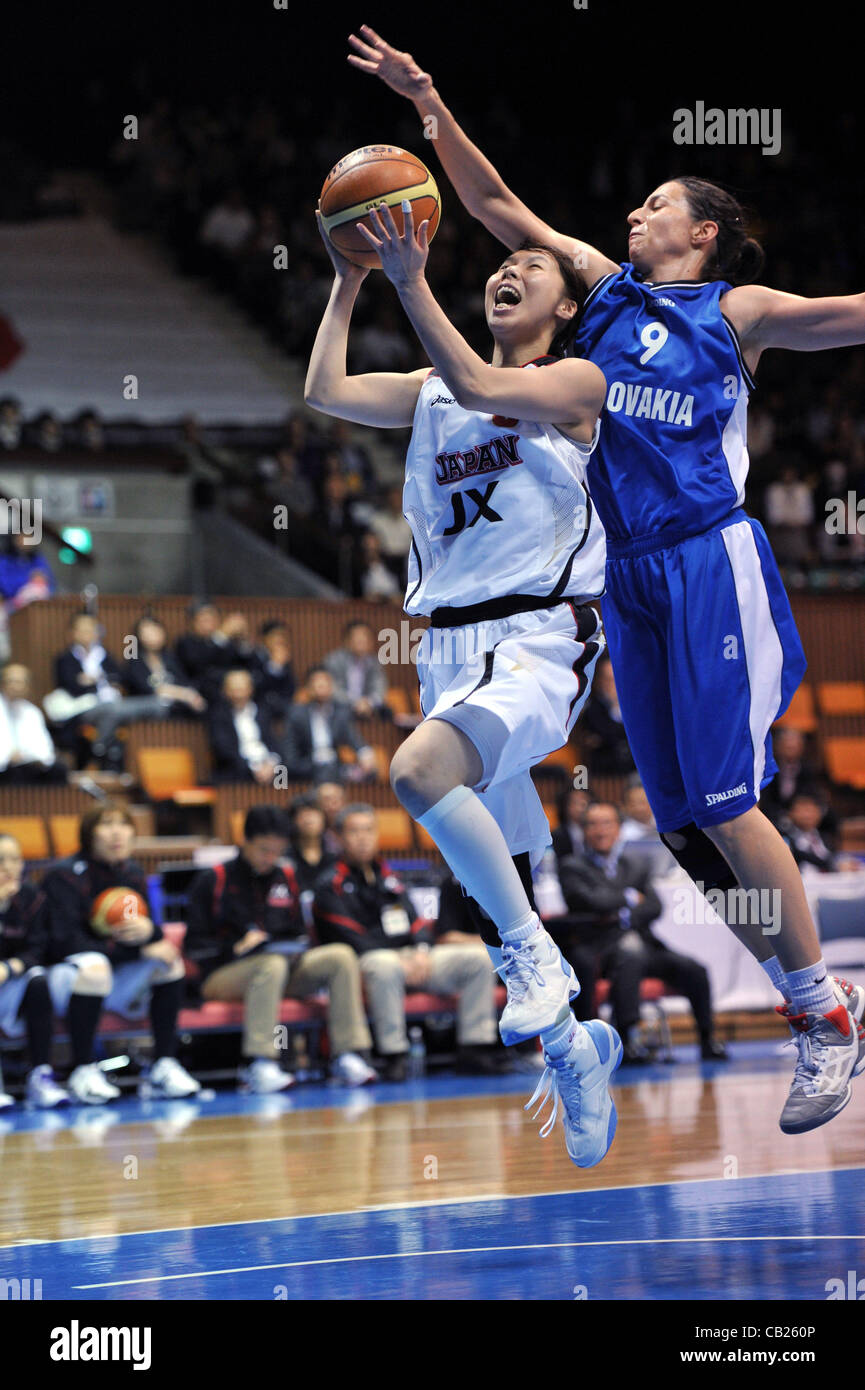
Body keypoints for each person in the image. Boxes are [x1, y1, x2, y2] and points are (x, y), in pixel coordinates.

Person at [349, 26, 865, 1134]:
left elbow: (852, 318)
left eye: (656, 206)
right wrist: (429, 98)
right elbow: (491, 204)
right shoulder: (605, 292)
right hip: (628, 580)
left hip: (710, 559)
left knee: (727, 803)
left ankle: (823, 1013)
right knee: (684, 822)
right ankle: (803, 997)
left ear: (706, 231)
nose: (634, 217)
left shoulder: (736, 312)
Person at [305, 175, 617, 1169]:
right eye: (496, 265)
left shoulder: (576, 387)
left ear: (566, 305)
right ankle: (573, 1044)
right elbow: (325, 390)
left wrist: (408, 283)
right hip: (446, 648)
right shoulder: (434, 389)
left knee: (417, 773)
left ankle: (538, 960)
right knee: (498, 876)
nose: (506, 273)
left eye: (528, 265)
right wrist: (350, 281)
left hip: (538, 640)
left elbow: (484, 385)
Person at [184, 805, 375, 1091]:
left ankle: (348, 1055)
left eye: (277, 851)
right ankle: (259, 1062)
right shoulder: (214, 880)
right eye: (264, 850)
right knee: (269, 964)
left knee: (340, 956)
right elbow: (194, 945)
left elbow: (299, 930)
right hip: (223, 974)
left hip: (281, 969)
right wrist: (235, 947)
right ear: (244, 841)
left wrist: (294, 946)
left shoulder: (286, 876)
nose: (270, 858)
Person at [313, 805, 502, 1078]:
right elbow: (349, 935)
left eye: (368, 830)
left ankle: (475, 1047)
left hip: (412, 957)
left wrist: (422, 951)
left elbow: (416, 923)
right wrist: (403, 957)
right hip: (365, 960)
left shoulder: (390, 877)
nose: (363, 838)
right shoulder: (330, 883)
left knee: (477, 960)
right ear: (339, 838)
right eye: (354, 831)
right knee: (384, 965)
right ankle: (394, 1055)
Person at [42, 802, 200, 1103]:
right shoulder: (63, 876)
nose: (117, 833)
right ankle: (83, 1070)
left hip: (114, 974)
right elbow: (65, 944)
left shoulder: (132, 873)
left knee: (168, 960)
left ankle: (164, 1065)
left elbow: (151, 931)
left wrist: (149, 933)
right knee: (94, 964)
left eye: (124, 825)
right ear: (89, 834)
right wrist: (136, 952)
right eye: (107, 825)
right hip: (65, 980)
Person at [558, 803, 729, 1062]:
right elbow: (590, 902)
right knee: (631, 955)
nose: (600, 830)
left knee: (694, 969)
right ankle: (628, 1041)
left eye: (607, 823)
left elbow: (654, 906)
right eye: (592, 824)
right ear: (583, 831)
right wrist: (628, 897)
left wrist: (618, 910)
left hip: (643, 943)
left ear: (618, 829)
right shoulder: (572, 866)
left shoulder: (634, 864)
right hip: (598, 949)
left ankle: (707, 1039)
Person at [0, 834, 69, 1108]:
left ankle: (40, 1075)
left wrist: (9, 967)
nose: (8, 867)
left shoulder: (32, 897)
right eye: (0, 860)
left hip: (12, 981)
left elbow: (40, 948)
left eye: (14, 859)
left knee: (38, 980)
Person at [49, 612, 167, 770]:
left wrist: (90, 679)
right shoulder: (65, 659)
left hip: (114, 703)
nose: (87, 633)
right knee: (112, 710)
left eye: (91, 629)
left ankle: (107, 751)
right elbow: (70, 686)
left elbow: (119, 678)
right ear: (72, 633)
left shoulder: (105, 655)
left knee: (155, 705)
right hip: (84, 707)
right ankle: (98, 750)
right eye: (82, 630)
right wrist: (94, 682)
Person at [281, 667, 376, 784]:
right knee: (325, 771)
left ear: (331, 687)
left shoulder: (340, 712)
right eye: (317, 683)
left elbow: (353, 738)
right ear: (308, 689)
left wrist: (365, 753)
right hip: (308, 765)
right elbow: (290, 751)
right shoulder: (297, 714)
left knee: (370, 771)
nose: (321, 687)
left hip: (333, 764)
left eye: (325, 683)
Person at [208, 669, 283, 785]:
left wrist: (272, 763)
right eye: (234, 690)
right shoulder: (219, 715)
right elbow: (223, 750)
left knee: (284, 775)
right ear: (225, 691)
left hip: (267, 764)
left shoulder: (262, 712)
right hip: (239, 767)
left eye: (242, 689)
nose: (239, 695)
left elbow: (272, 742)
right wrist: (254, 767)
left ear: (250, 690)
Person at [122, 616, 206, 716]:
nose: (154, 635)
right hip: (148, 710)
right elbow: (149, 689)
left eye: (156, 631)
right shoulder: (134, 661)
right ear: (139, 636)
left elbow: (183, 682)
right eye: (148, 632)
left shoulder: (170, 657)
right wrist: (185, 694)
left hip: (176, 707)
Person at [0, 663, 67, 784]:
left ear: (27, 687)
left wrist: (37, 757)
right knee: (15, 774)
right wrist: (8, 756)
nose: (16, 686)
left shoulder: (32, 712)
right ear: (3, 684)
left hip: (28, 763)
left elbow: (45, 746)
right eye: (12, 681)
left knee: (59, 770)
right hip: (5, 766)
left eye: (20, 682)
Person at [780, 791, 863, 875]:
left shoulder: (825, 837)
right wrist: (834, 865)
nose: (807, 815)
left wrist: (844, 863)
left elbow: (832, 856)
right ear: (791, 813)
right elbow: (802, 856)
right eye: (803, 810)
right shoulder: (786, 838)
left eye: (811, 810)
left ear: (819, 813)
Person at [580, 655, 636, 776]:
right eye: (608, 680)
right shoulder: (592, 708)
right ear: (599, 681)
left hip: (635, 771)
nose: (612, 685)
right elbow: (604, 731)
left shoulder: (636, 706)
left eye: (616, 679)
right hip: (604, 775)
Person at [323, 620, 389, 718]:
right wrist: (355, 703)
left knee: (387, 713)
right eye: (357, 638)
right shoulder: (334, 660)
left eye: (365, 637)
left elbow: (380, 687)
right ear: (347, 641)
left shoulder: (374, 662)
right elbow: (333, 689)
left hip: (368, 708)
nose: (362, 641)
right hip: (341, 706)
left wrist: (369, 703)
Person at [249, 620, 296, 719]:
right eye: (276, 635)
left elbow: (290, 688)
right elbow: (257, 687)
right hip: (258, 705)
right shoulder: (254, 656)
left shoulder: (284, 658)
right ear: (263, 638)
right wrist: (274, 666)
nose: (280, 639)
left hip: (283, 705)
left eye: (283, 636)